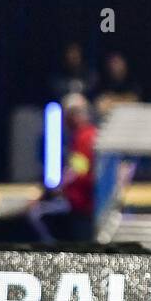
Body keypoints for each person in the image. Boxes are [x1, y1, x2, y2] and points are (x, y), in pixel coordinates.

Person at [29, 92, 97, 243]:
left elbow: (77, 173)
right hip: (84, 202)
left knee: (37, 214)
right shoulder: (91, 134)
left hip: (80, 204)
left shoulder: (84, 138)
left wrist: (55, 190)